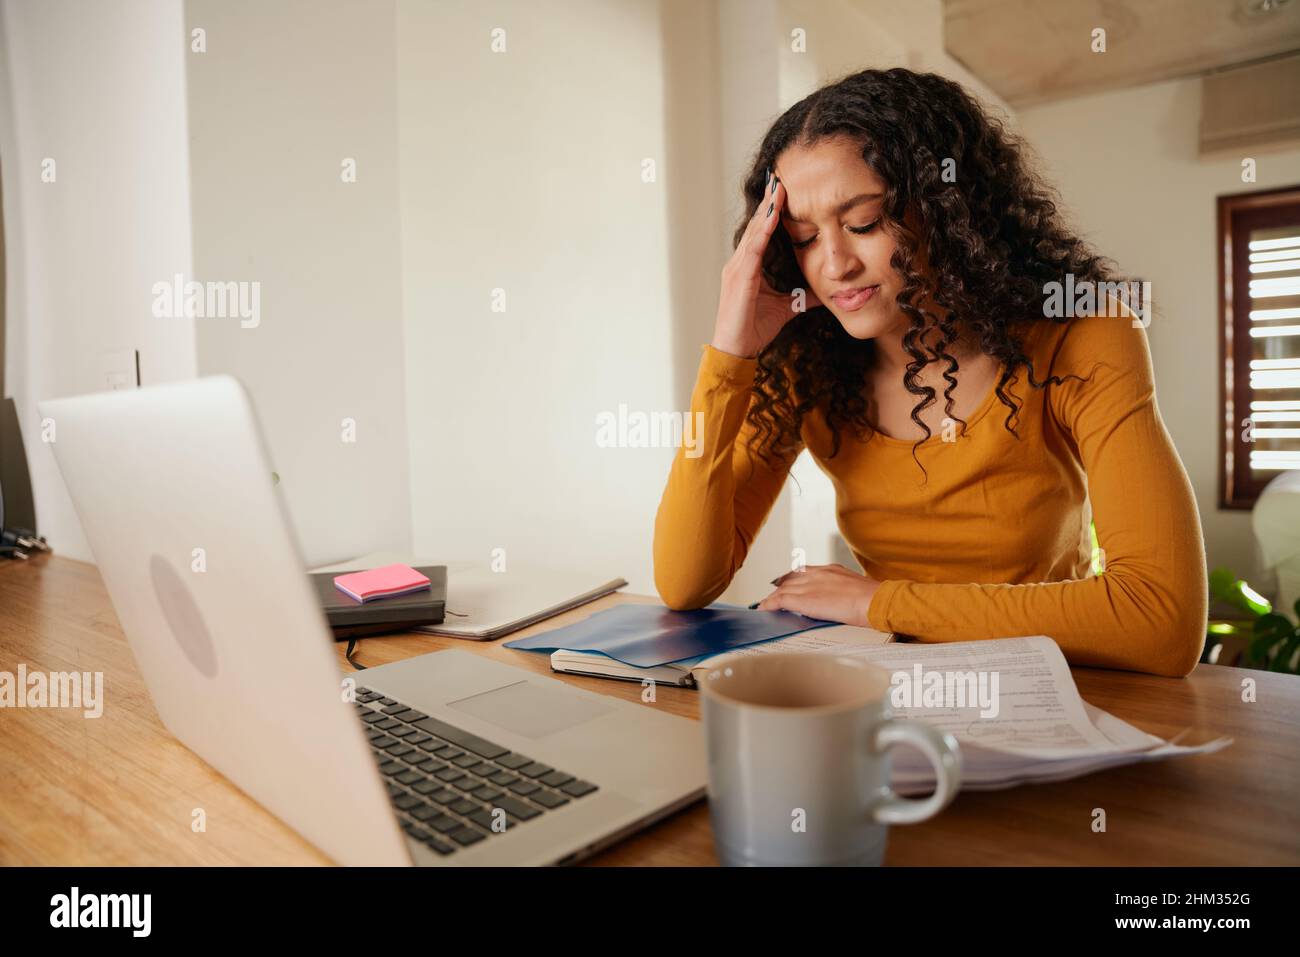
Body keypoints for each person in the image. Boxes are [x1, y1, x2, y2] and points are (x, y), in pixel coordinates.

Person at [652, 68, 1206, 677]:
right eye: (805, 237)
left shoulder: (1079, 330)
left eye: (864, 223)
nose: (834, 264)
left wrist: (880, 603)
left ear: (948, 210)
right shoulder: (807, 362)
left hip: (1056, 685)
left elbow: (1161, 620)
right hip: (888, 691)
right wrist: (730, 356)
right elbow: (685, 582)